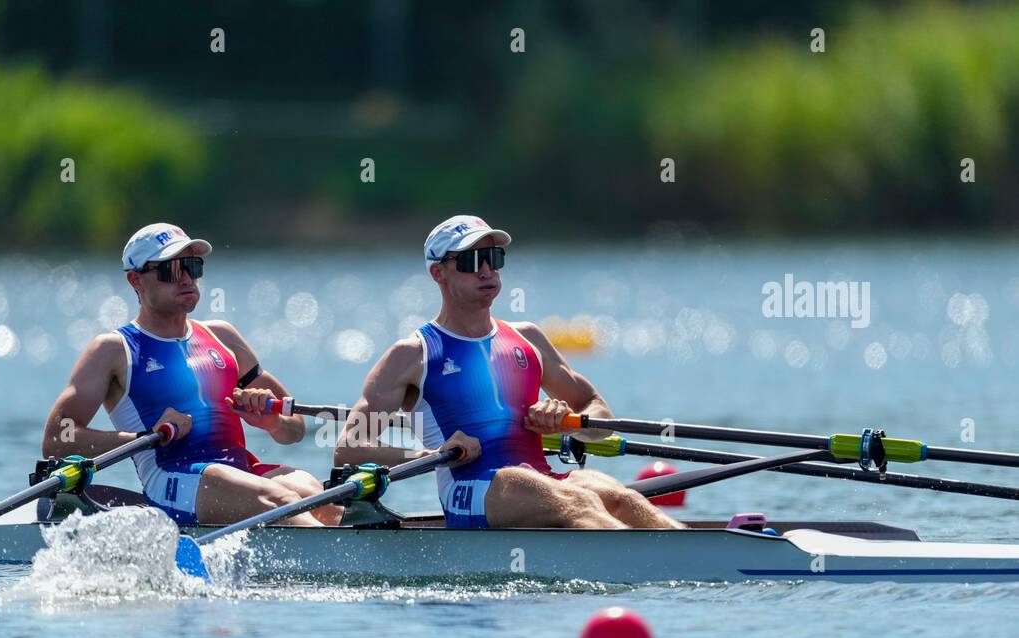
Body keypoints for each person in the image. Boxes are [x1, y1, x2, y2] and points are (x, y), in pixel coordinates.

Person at [334, 214, 682, 530]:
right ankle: (647, 563)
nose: (486, 271)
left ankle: (692, 556)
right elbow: (349, 446)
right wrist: (427, 457)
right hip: (473, 488)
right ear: (438, 273)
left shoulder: (529, 339)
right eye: (471, 261)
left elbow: (596, 408)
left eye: (494, 258)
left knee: (614, 494)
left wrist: (571, 426)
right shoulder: (412, 354)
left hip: (541, 480)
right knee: (572, 498)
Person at [42, 222, 339, 527]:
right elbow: (56, 438)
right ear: (136, 281)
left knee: (318, 496)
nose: (185, 278)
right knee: (283, 502)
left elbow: (296, 428)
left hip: (241, 472)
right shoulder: (113, 350)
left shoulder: (223, 336)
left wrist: (273, 421)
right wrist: (144, 437)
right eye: (170, 270)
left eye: (192, 266)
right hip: (175, 479)